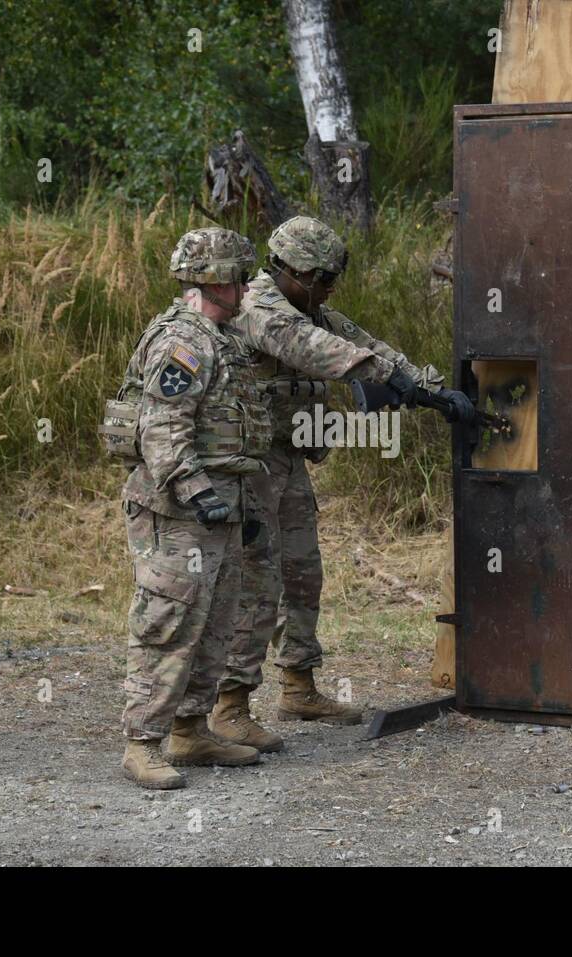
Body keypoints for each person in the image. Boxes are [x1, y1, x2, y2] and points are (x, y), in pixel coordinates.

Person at [107, 226, 408, 789]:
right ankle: (143, 741)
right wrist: (194, 489)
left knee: (218, 615)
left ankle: (192, 729)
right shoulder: (184, 341)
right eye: (240, 277)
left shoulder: (220, 337)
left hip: (225, 498)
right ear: (211, 281)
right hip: (178, 508)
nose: (249, 286)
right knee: (168, 618)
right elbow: (161, 428)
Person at [210, 216, 476, 754]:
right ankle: (229, 706)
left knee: (303, 572)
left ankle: (298, 686)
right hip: (248, 462)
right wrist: (385, 376)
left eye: (332, 279)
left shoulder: (312, 308)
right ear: (290, 270)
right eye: (322, 278)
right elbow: (314, 349)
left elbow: (364, 344)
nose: (329, 288)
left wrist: (431, 391)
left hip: (287, 459)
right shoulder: (260, 307)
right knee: (258, 582)